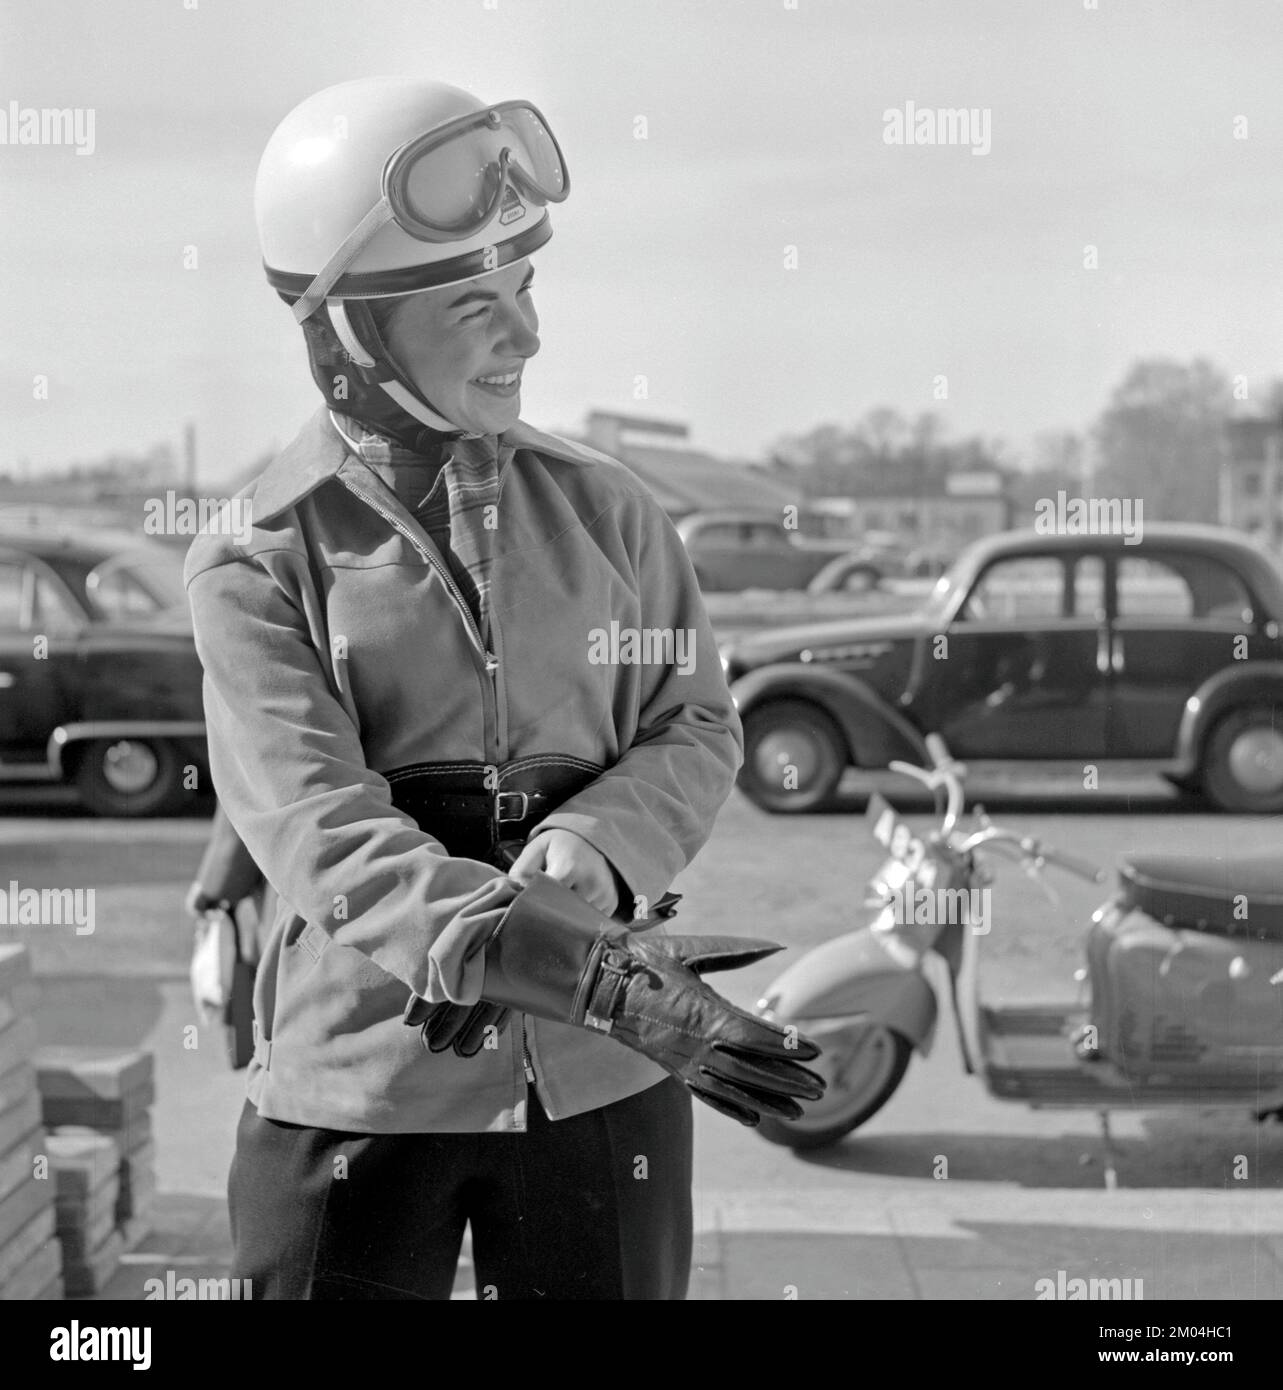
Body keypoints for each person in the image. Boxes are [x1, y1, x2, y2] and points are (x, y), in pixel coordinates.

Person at [183, 75, 824, 1302]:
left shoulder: (613, 513)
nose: (525, 336)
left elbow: (692, 719)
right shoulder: (257, 558)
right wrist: (580, 969)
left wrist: (596, 841)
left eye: (524, 288)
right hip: (364, 1081)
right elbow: (316, 824)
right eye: (474, 304)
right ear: (349, 333)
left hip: (598, 1085)